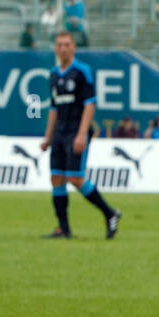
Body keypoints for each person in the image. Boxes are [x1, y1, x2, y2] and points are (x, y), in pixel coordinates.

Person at [38, 31, 120, 238]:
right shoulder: (54, 74)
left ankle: (110, 213)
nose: (63, 48)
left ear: (74, 47)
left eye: (67, 44)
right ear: (55, 48)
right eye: (59, 45)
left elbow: (90, 104)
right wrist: (48, 137)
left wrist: (82, 134)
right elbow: (54, 107)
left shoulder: (82, 71)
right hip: (59, 131)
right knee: (56, 177)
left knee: (75, 178)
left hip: (76, 130)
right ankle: (63, 229)